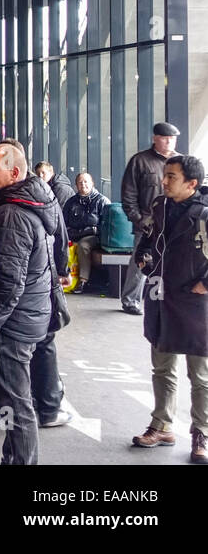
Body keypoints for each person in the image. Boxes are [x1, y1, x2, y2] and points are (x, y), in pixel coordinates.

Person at [0, 143, 53, 464]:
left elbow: (8, 284)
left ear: (14, 173)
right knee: (11, 403)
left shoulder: (11, 216)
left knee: (15, 406)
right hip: (24, 319)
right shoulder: (21, 205)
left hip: (11, 326)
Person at [130, 155, 208, 461]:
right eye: (165, 175)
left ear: (192, 183)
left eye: (171, 177)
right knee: (162, 367)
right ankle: (161, 424)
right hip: (161, 296)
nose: (164, 181)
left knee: (199, 374)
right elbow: (149, 237)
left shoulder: (204, 213)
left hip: (195, 301)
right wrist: (143, 256)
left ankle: (201, 432)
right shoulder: (160, 206)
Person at [119, 123, 182, 315]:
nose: (169, 142)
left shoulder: (182, 162)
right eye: (165, 138)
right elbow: (128, 194)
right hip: (148, 223)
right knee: (141, 261)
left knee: (174, 261)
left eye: (172, 139)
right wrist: (138, 219)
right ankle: (130, 301)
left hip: (175, 222)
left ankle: (167, 300)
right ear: (155, 138)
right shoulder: (140, 161)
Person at [63, 172, 110, 292]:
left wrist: (90, 231)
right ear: (76, 186)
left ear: (92, 183)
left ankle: (82, 281)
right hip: (73, 234)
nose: (83, 184)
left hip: (94, 237)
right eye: (80, 182)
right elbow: (64, 223)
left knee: (83, 245)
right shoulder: (71, 202)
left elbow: (106, 227)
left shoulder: (102, 201)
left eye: (86, 182)